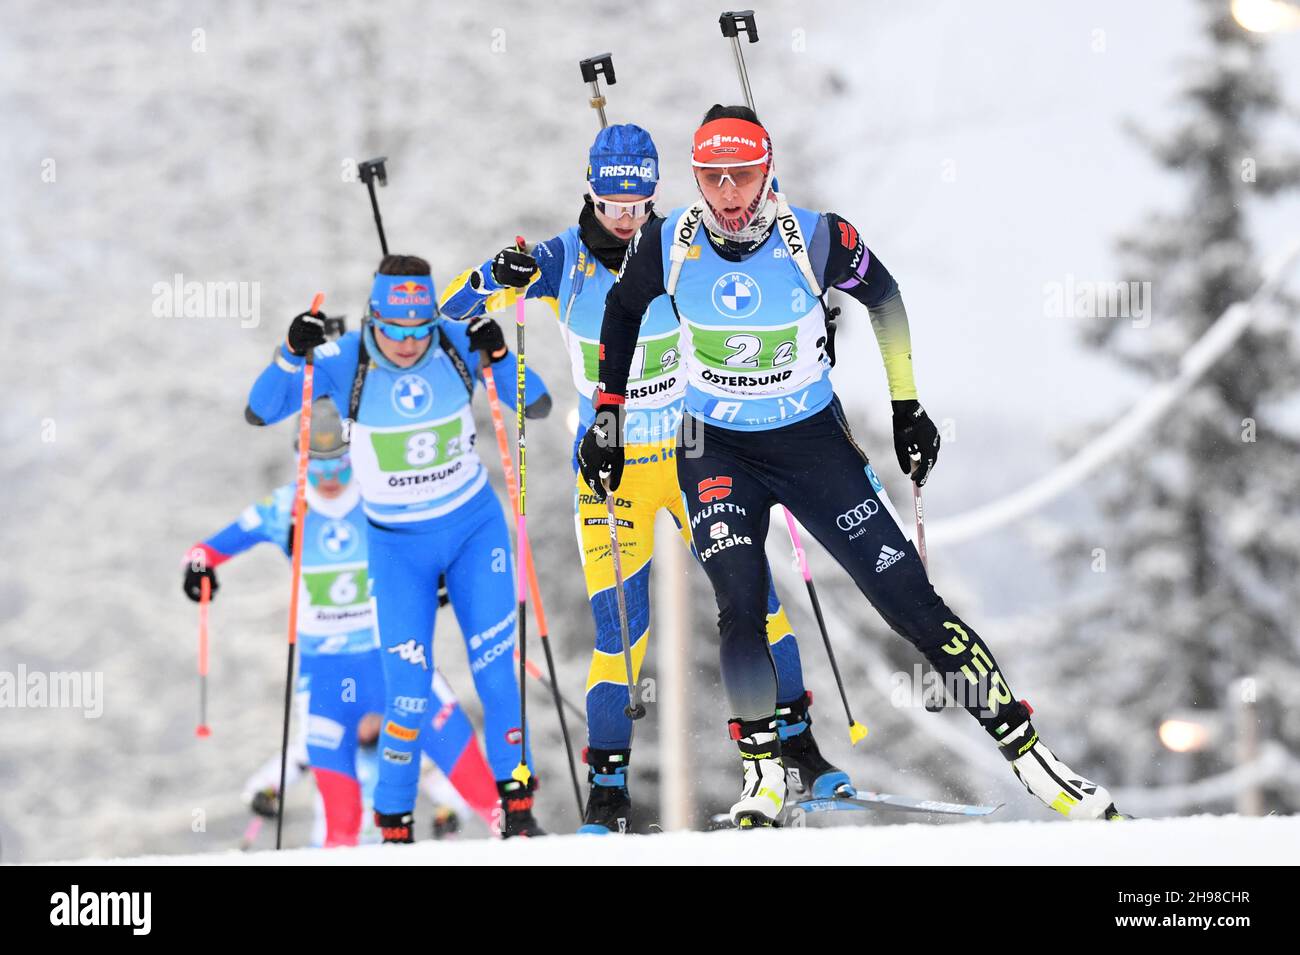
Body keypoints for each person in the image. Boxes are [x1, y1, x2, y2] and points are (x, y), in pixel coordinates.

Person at [580, 104, 1124, 827]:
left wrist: (908, 409)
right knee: (740, 604)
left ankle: (1033, 758)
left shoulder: (819, 238)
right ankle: (763, 771)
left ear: (767, 172)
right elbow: (621, 311)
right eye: (713, 178)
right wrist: (610, 415)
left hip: (813, 446)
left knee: (908, 601)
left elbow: (886, 298)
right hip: (715, 449)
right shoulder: (669, 243)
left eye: (742, 175)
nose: (729, 193)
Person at [441, 124, 853, 833]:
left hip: (702, 454)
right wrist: (490, 278)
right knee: (621, 632)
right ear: (591, 193)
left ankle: (800, 752)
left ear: (656, 193)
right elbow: (453, 311)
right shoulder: (562, 261)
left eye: (638, 203)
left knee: (755, 607)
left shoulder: (684, 245)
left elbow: (765, 277)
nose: (627, 218)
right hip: (614, 469)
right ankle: (608, 796)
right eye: (612, 204)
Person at [245, 256, 552, 841]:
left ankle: (517, 807)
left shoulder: (458, 341)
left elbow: (534, 404)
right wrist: (289, 351)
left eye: (419, 332)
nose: (408, 345)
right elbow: (261, 410)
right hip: (396, 549)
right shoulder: (345, 361)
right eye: (394, 331)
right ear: (372, 317)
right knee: (406, 690)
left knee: (495, 674)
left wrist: (503, 354)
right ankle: (392, 820)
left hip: (472, 533)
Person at [183, 397, 500, 844]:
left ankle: (518, 836)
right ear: (300, 460)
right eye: (318, 467)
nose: (330, 479)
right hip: (326, 673)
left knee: (471, 772)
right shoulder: (286, 508)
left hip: (389, 656)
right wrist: (199, 569)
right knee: (340, 822)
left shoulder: (382, 493)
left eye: (340, 465)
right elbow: (208, 549)